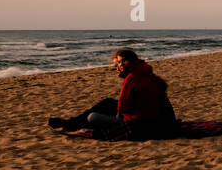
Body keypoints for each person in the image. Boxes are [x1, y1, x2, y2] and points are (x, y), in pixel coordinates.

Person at [48, 48, 178, 138]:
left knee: (93, 116)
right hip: (153, 115)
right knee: (108, 103)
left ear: (130, 61)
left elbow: (124, 108)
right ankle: (71, 123)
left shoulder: (133, 78)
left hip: (141, 120)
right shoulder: (148, 73)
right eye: (117, 65)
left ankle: (71, 124)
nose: (119, 67)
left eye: (121, 62)